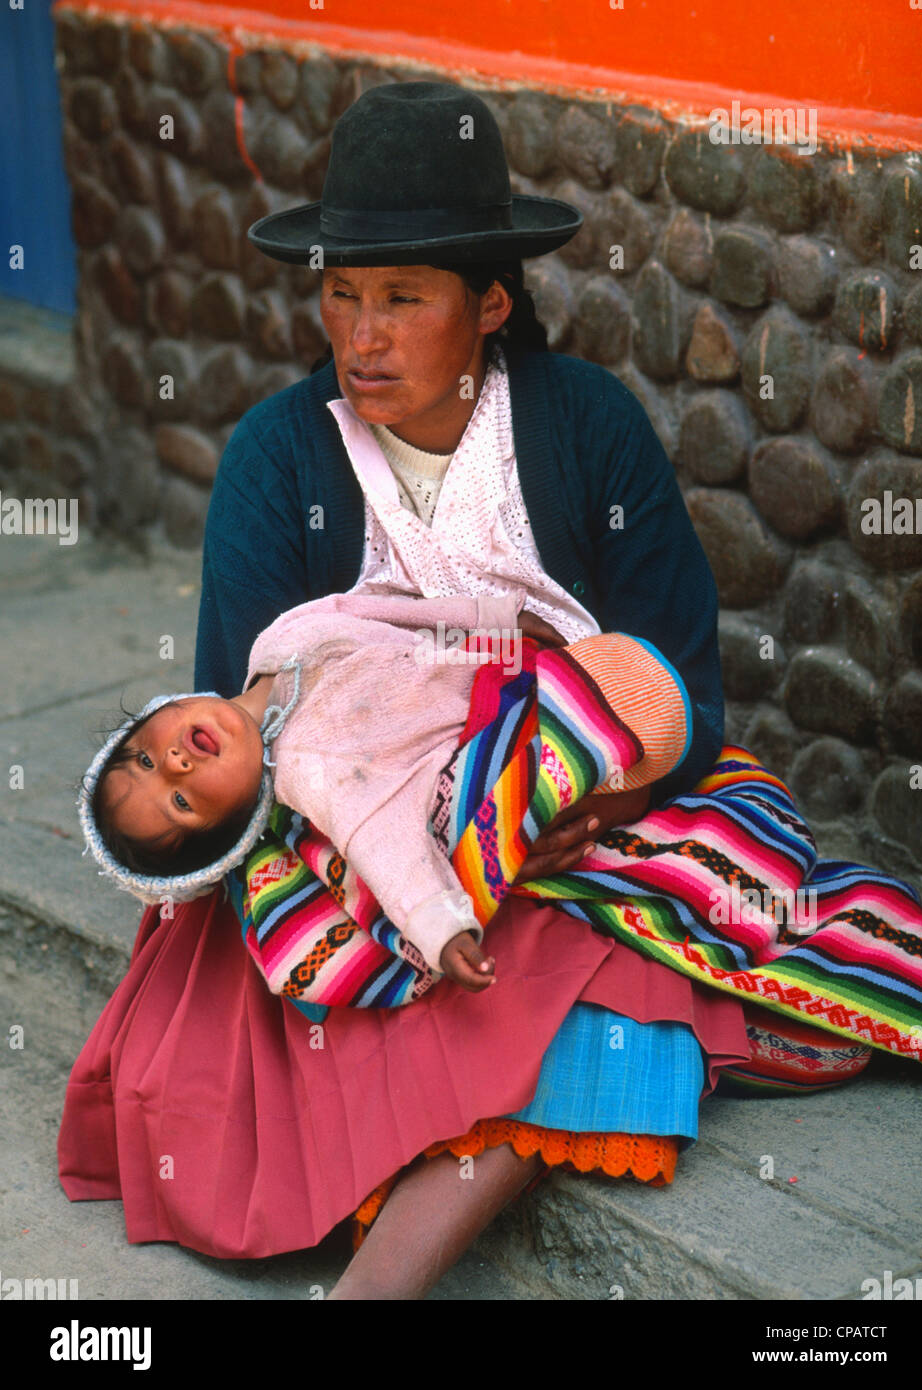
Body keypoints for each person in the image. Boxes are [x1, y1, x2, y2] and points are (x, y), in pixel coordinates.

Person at [59, 79, 752, 1298]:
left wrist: (554, 798)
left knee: (608, 968)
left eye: (399, 299)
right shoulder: (281, 458)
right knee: (313, 988)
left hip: (575, 806)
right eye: (339, 297)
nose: (360, 335)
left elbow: (676, 673)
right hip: (352, 831)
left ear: (489, 302)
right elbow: (245, 716)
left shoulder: (586, 428)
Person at [77, 586, 693, 993]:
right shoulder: (310, 768)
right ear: (239, 824)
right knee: (571, 746)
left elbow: (375, 608)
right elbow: (385, 844)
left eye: (144, 756)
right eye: (180, 801)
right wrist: (443, 931)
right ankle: (623, 736)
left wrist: (494, 618)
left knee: (603, 676)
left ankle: (622, 716)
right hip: (500, 730)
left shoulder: (277, 641)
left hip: (502, 664)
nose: (176, 762)